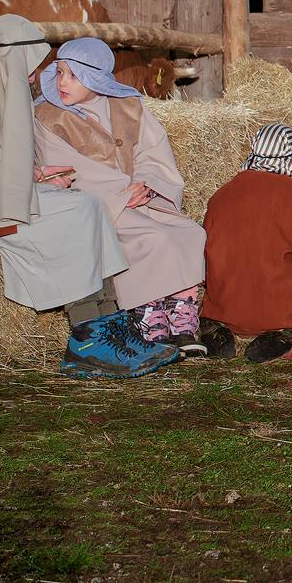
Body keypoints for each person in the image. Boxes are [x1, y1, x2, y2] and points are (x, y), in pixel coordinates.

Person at [0, 15, 177, 379]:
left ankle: (111, 324)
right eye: (32, 64)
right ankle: (87, 334)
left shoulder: (0, 83)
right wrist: (25, 184)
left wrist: (34, 176)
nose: (38, 76)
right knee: (76, 214)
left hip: (11, 194)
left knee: (89, 205)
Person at [33, 37, 208, 353]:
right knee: (153, 237)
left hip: (139, 197)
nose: (63, 83)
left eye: (73, 75)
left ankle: (181, 318)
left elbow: (153, 152)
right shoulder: (49, 117)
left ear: (96, 76)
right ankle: (149, 320)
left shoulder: (129, 106)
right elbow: (64, 171)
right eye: (59, 73)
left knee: (189, 232)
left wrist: (147, 183)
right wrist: (118, 195)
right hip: (95, 207)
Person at [202, 123, 292, 362]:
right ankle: (289, 331)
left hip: (225, 306)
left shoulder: (221, 196)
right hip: (285, 309)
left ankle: (220, 331)